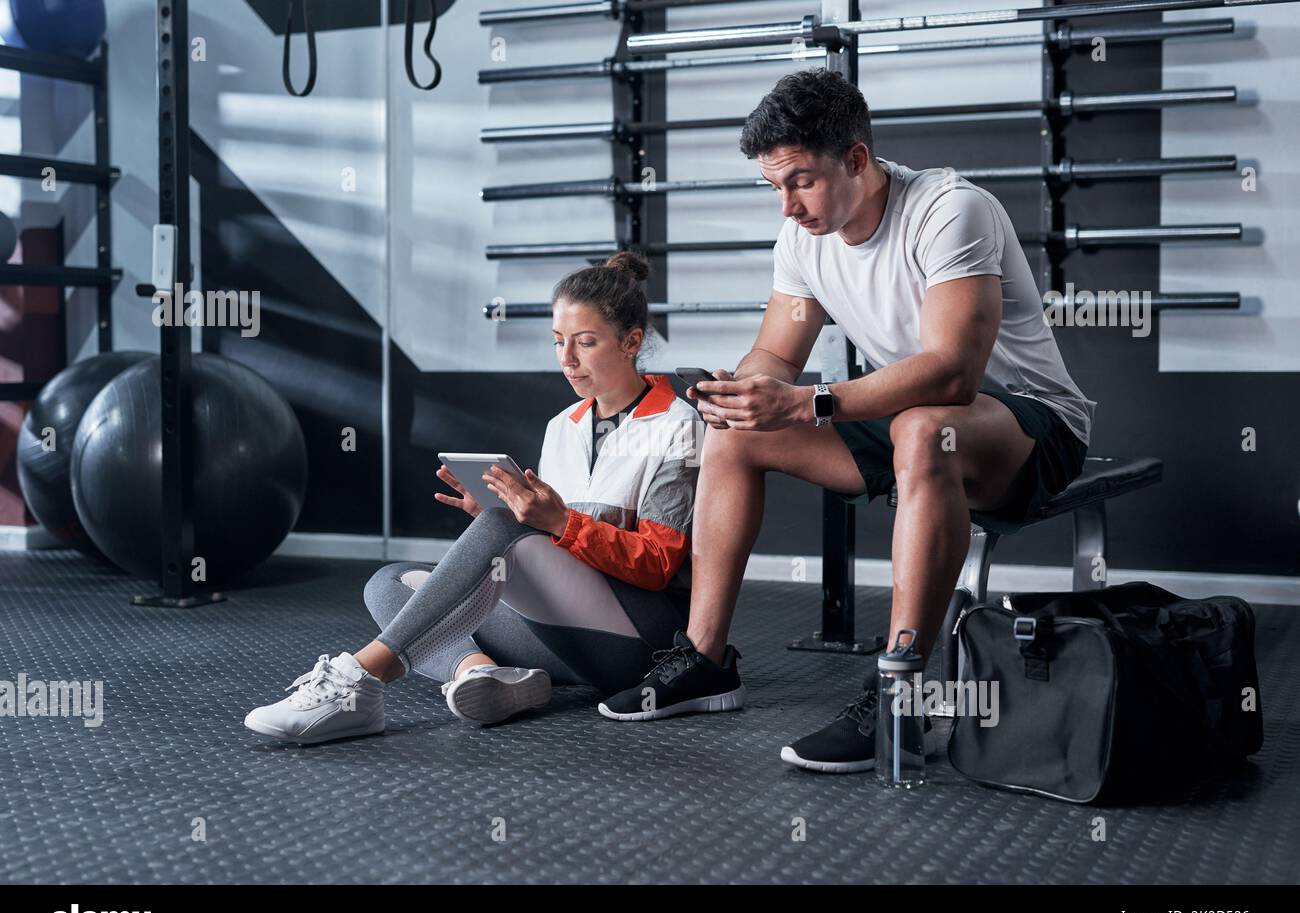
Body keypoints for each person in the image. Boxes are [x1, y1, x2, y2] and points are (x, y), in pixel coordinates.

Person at [597, 69, 1095, 775]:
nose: (787, 206)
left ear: (857, 159)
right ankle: (706, 659)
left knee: (925, 427)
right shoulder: (805, 240)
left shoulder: (951, 210)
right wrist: (741, 391)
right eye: (774, 187)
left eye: (799, 181)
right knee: (736, 435)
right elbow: (777, 350)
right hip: (904, 418)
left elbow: (955, 371)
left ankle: (902, 693)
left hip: (1030, 429)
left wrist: (807, 401)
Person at [243, 251, 708, 744]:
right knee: (389, 582)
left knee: (509, 524)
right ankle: (482, 675)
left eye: (585, 343)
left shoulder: (678, 426)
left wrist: (551, 523)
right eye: (558, 343)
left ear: (631, 341)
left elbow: (658, 565)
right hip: (566, 644)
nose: (566, 359)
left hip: (642, 652)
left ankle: (360, 682)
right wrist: (498, 518)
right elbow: (556, 557)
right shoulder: (563, 426)